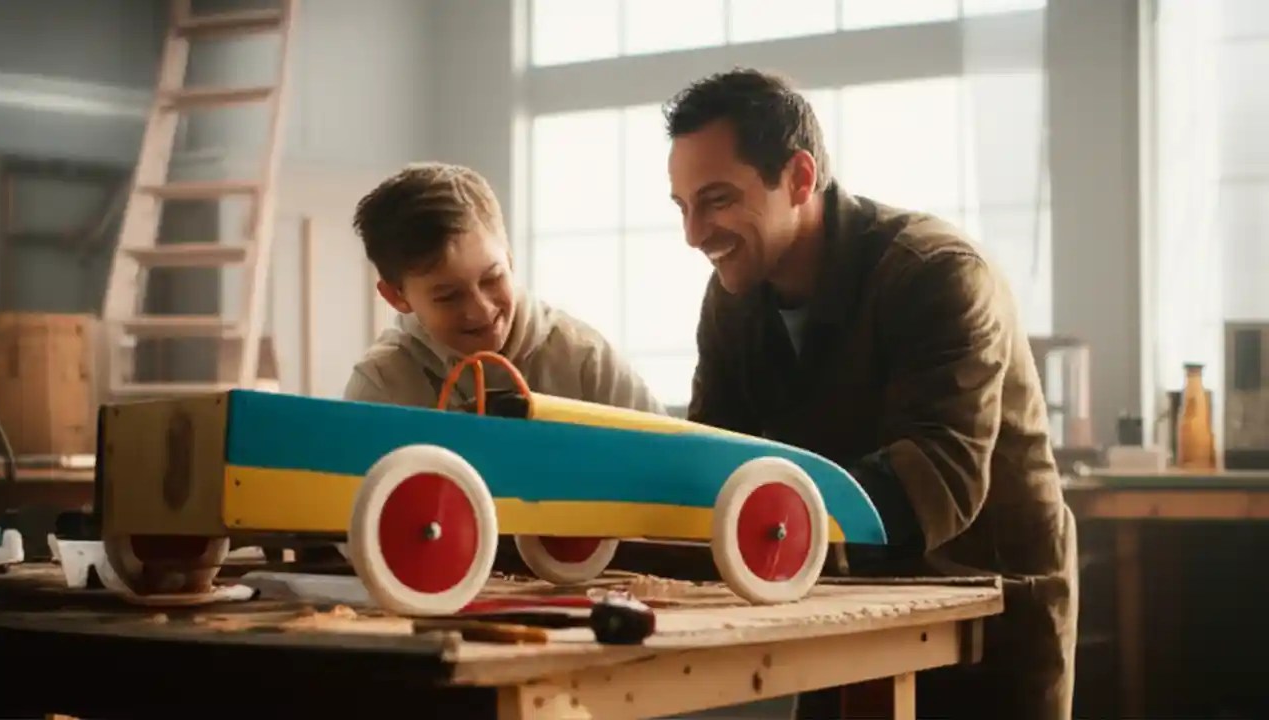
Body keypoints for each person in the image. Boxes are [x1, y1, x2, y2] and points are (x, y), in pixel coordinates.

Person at [664, 68, 1077, 719]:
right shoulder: (731, 301)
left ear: (800, 178)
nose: (694, 234)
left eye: (716, 199)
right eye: (682, 206)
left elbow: (939, 476)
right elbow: (715, 456)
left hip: (983, 608)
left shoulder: (938, 273)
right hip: (838, 602)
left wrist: (770, 527)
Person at [345, 161, 663, 414]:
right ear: (396, 296)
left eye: (492, 278)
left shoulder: (585, 361)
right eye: (448, 296)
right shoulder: (381, 386)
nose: (480, 309)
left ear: (509, 259)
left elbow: (673, 460)